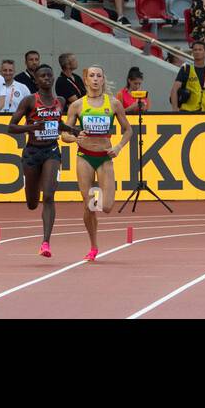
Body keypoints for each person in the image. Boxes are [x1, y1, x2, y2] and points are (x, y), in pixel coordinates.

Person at [63, 65, 133, 262]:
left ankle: (95, 196)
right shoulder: (77, 105)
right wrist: (74, 138)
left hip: (104, 158)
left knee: (107, 206)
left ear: (103, 80)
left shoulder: (113, 104)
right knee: (89, 206)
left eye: (99, 76)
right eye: (91, 76)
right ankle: (93, 245)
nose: (95, 79)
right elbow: (64, 134)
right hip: (84, 156)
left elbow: (128, 130)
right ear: (85, 80)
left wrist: (118, 147)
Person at [6, 65, 69, 258]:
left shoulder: (60, 101)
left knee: (49, 196)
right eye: (43, 76)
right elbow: (11, 127)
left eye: (50, 75)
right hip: (32, 152)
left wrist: (72, 130)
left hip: (51, 151)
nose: (47, 79)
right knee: (32, 203)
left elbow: (58, 123)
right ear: (36, 79)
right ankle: (30, 184)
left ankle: (45, 242)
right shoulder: (29, 101)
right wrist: (31, 127)